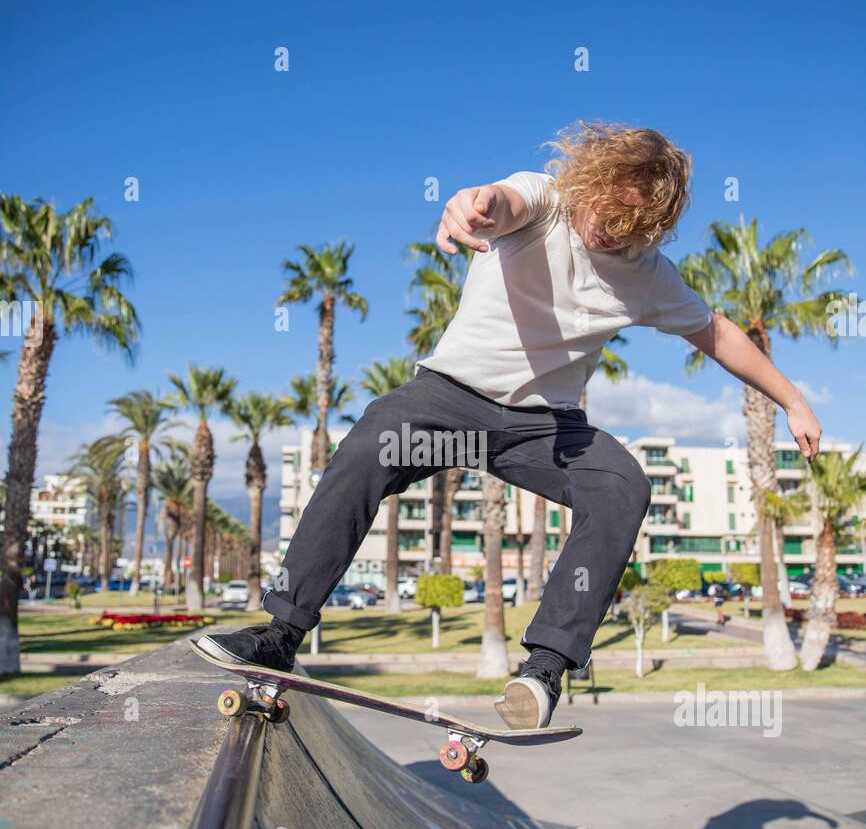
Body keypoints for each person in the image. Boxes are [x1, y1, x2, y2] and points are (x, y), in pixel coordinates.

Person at [195, 121, 821, 732]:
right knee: (373, 440)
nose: (607, 232)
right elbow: (499, 202)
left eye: (628, 226)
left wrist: (792, 400)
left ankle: (544, 670)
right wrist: (471, 206)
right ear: (587, 182)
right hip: (449, 404)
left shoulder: (649, 274)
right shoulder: (545, 200)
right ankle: (281, 633)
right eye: (604, 211)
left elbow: (717, 333)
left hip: (546, 431)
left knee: (622, 485)